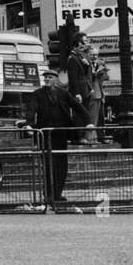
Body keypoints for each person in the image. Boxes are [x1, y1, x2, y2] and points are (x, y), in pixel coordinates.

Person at [27, 69, 93, 203]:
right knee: (48, 164)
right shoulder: (37, 94)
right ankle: (49, 195)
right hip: (45, 133)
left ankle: (58, 193)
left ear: (56, 80)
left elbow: (77, 107)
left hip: (61, 133)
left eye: (49, 77)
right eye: (45, 78)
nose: (46, 80)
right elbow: (31, 110)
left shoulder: (63, 94)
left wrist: (89, 122)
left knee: (62, 165)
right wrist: (29, 124)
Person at [66, 39, 93, 141]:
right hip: (79, 91)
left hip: (84, 89)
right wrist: (77, 93)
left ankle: (81, 136)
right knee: (79, 114)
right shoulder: (72, 58)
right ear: (75, 47)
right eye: (80, 48)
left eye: (83, 48)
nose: (82, 50)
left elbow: (84, 75)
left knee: (83, 113)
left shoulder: (79, 57)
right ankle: (78, 137)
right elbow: (73, 78)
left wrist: (86, 65)